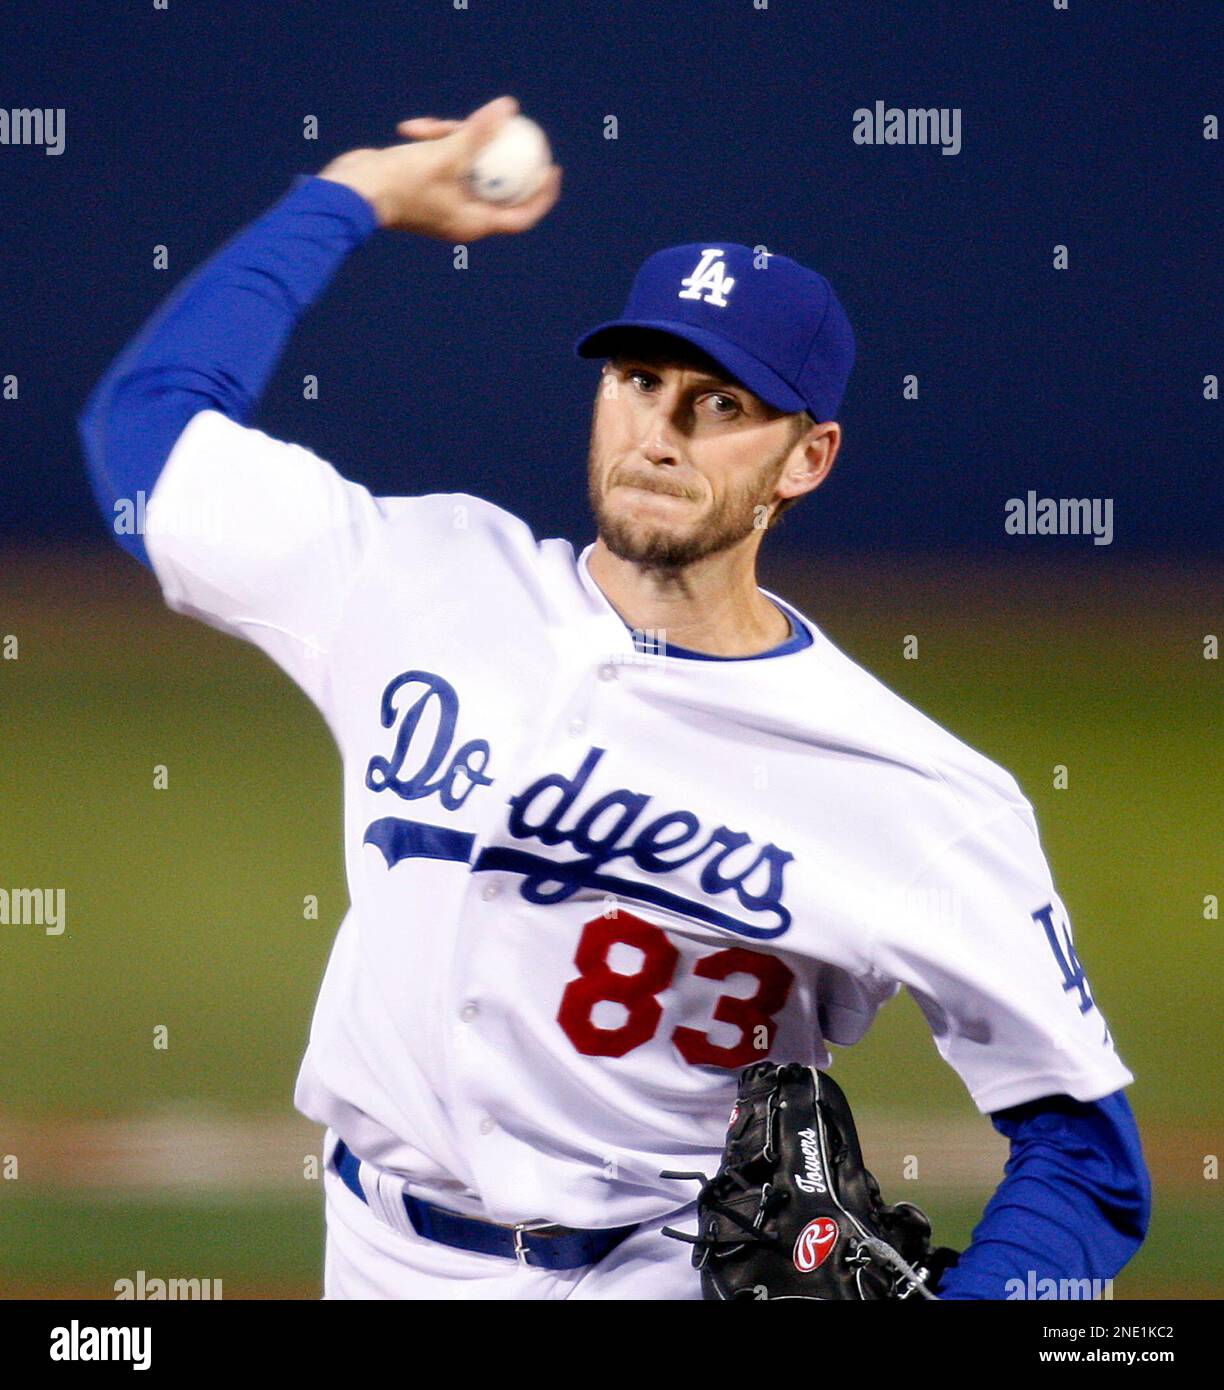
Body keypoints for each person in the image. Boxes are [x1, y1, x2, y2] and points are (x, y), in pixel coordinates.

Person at [79, 95, 1149, 1300]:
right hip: (374, 1258)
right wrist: (355, 193)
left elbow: (1087, 1157)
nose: (661, 430)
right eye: (640, 379)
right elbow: (145, 432)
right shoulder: (414, 575)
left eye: (723, 404)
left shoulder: (920, 793)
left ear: (809, 457)